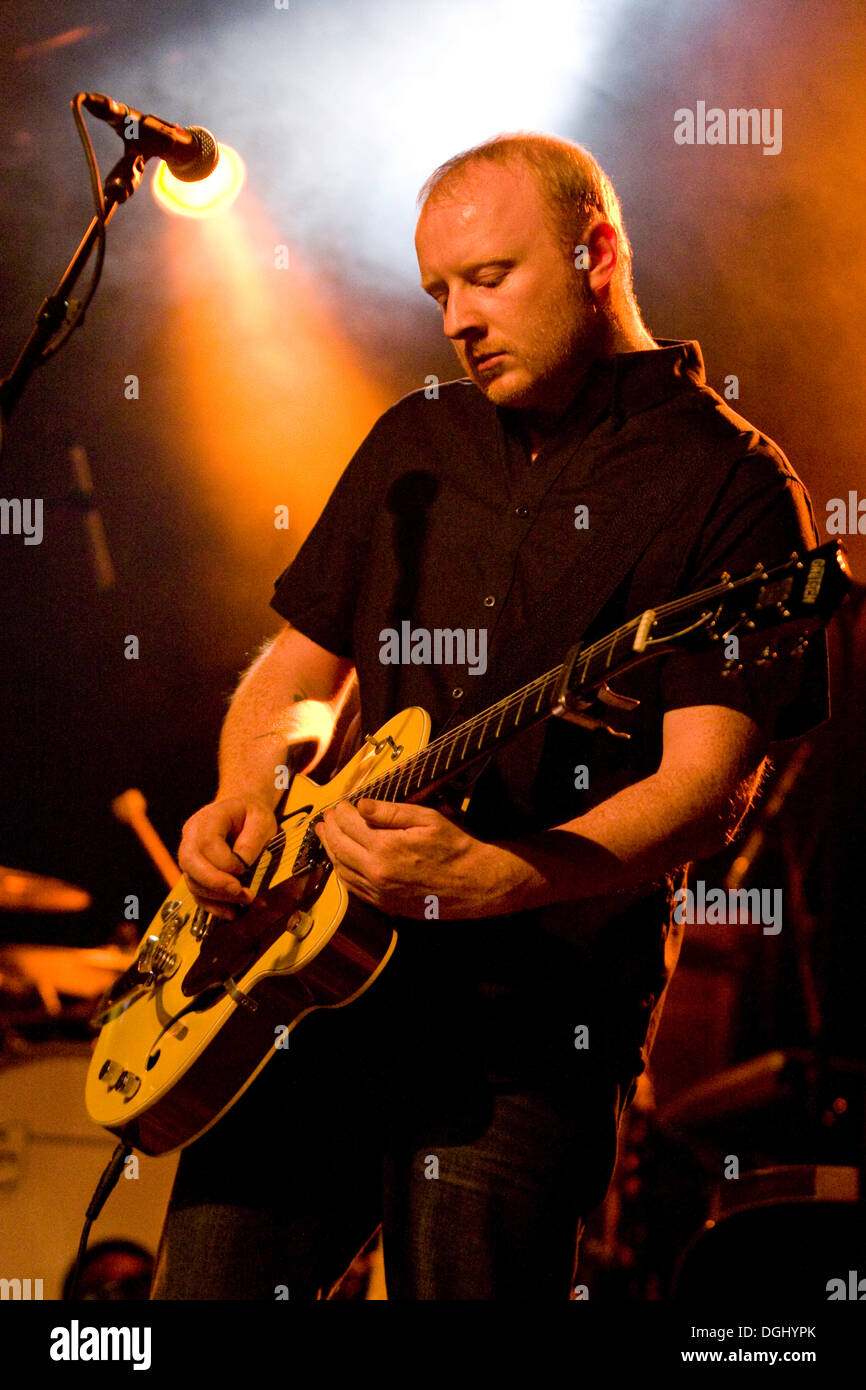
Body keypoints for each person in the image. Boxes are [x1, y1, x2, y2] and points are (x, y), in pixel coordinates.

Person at [150, 132, 829, 1301]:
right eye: (436, 292)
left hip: (526, 1027)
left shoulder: (731, 486)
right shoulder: (417, 439)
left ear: (596, 251)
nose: (455, 320)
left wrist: (506, 876)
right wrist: (240, 792)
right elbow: (291, 669)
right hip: (303, 984)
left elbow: (707, 787)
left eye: (488, 278)